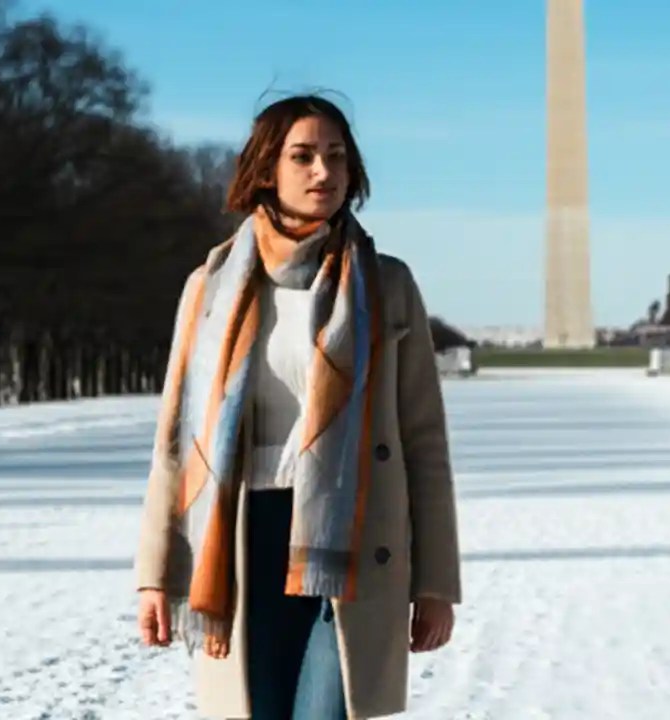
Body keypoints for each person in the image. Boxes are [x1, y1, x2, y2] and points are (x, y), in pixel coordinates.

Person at [133, 94, 462, 720]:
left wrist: (437, 584)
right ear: (266, 170)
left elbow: (423, 442)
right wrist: (154, 572)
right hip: (239, 542)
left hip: (351, 540)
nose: (323, 172)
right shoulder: (210, 286)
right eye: (303, 156)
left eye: (336, 157)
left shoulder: (387, 285)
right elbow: (175, 440)